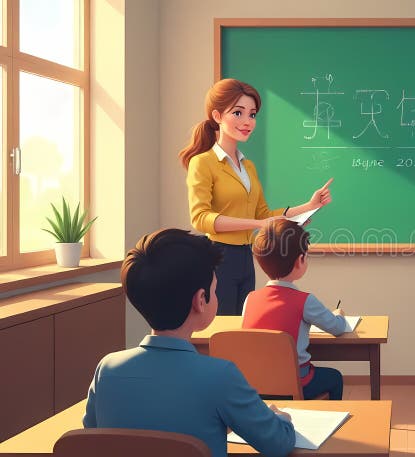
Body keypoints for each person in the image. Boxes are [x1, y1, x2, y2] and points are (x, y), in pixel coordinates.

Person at [83, 229, 296, 457]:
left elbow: (93, 433)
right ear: (200, 300)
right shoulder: (220, 376)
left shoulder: (107, 369)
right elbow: (278, 444)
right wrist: (282, 419)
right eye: (215, 290)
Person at [180, 78, 332, 315]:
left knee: (243, 329)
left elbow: (264, 214)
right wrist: (258, 224)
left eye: (252, 115)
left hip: (246, 258)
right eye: (238, 113)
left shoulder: (247, 166)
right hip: (218, 258)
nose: (247, 122)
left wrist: (308, 206)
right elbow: (200, 218)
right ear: (217, 116)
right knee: (222, 331)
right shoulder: (202, 163)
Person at [242, 218, 347, 400]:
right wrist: (339, 315)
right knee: (335, 377)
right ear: (300, 260)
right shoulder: (305, 301)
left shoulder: (250, 299)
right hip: (295, 384)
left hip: (256, 386)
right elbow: (337, 328)